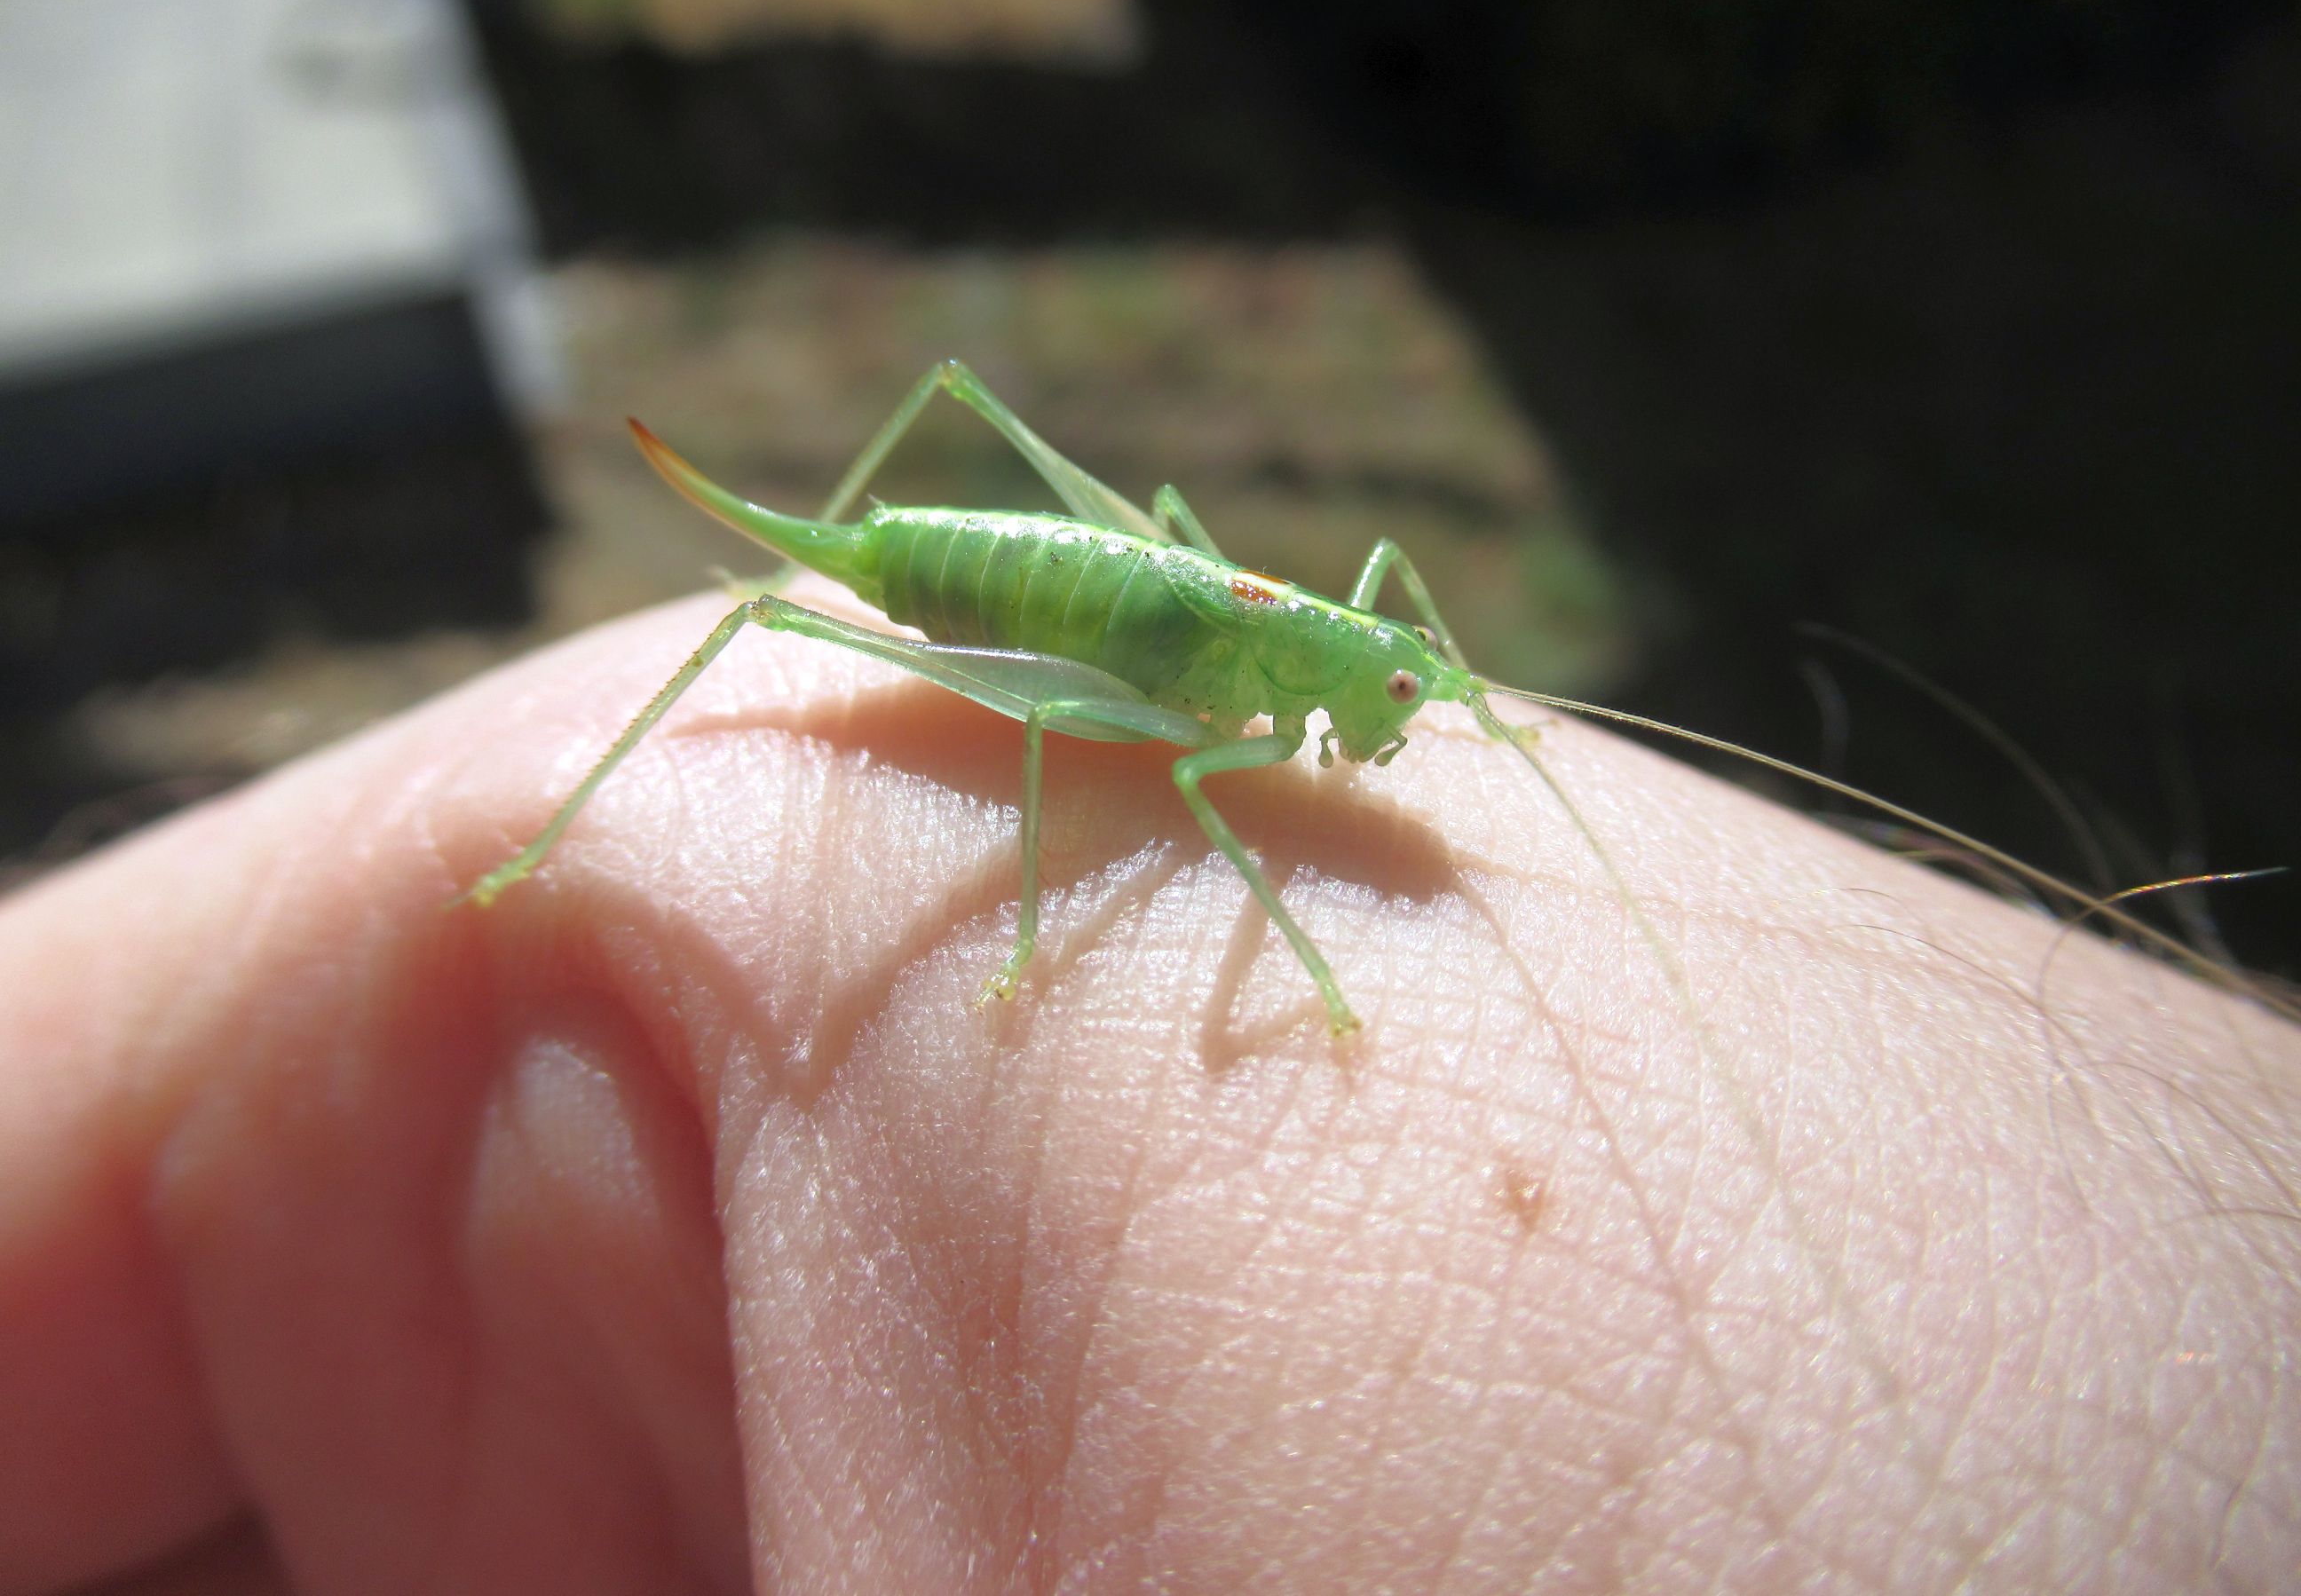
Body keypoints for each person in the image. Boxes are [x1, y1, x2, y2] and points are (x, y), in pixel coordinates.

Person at [4, 583, 2294, 1592]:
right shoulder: (1246, 711)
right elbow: (1202, 798)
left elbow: (1376, 645)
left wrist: (1421, 694)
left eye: (1399, 684)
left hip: (1180, 615)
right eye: (1388, 684)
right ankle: (554, 816)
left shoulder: (1365, 651)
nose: (1390, 713)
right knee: (771, 629)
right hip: (1064, 625)